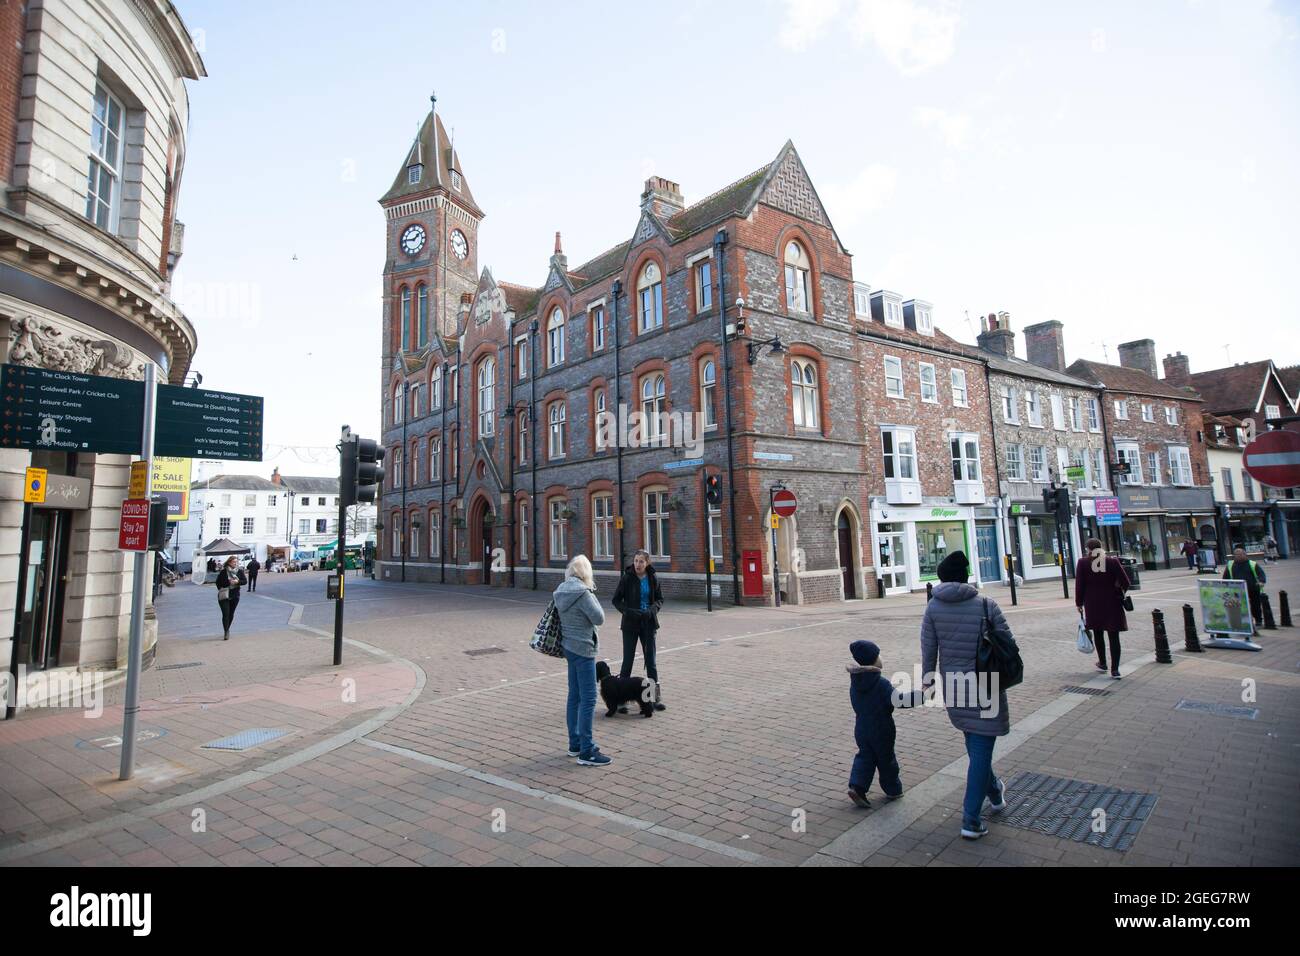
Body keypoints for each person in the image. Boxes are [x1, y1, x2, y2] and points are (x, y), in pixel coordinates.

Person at [921, 551, 1012, 840]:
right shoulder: (986, 604)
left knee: (976, 746)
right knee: (981, 750)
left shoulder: (933, 607)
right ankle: (971, 820)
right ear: (965, 575)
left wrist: (928, 682)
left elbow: (928, 650)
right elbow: (1008, 643)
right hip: (986, 684)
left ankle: (995, 791)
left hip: (955, 686)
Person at [846, 640, 921, 808]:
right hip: (881, 728)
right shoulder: (881, 683)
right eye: (878, 655)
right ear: (873, 659)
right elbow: (900, 701)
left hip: (861, 727)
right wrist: (921, 695)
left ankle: (857, 787)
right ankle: (893, 790)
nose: (881, 658)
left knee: (865, 756)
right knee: (886, 760)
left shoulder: (856, 682)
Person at [554, 555, 611, 767]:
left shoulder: (561, 591)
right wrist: (591, 594)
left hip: (569, 647)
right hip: (585, 648)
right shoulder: (583, 593)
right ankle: (587, 750)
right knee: (589, 698)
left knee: (574, 696)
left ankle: (574, 743)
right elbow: (599, 618)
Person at [612, 549, 666, 711]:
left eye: (641, 561)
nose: (638, 564)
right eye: (636, 561)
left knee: (651, 661)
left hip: (648, 623)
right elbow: (616, 600)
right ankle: (621, 701)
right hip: (630, 624)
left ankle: (653, 699)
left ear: (647, 563)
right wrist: (629, 611)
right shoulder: (627, 578)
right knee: (627, 661)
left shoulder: (652, 578)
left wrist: (652, 610)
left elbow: (659, 599)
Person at [1075, 537, 1131, 678]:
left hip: (1093, 604)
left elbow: (1079, 585)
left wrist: (1079, 603)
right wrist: (1118, 591)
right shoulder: (1112, 561)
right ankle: (1115, 669)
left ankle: (1103, 662)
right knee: (1114, 636)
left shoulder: (1083, 563)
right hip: (1112, 602)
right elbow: (1126, 581)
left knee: (1098, 633)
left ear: (1088, 549)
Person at [1223, 547, 1267, 629]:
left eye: (1240, 554)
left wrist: (1261, 581)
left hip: (1253, 588)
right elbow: (1226, 576)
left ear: (1244, 554)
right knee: (1239, 606)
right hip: (1237, 589)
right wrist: (1225, 586)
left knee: (1255, 605)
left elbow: (1261, 574)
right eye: (1236, 555)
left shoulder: (1252, 564)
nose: (1238, 556)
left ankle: (1258, 621)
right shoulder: (1230, 564)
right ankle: (1243, 621)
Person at [215, 556, 247, 640]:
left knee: (231, 614)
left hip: (234, 595)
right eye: (233, 562)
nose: (235, 563)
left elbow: (245, 581)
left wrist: (238, 582)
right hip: (224, 596)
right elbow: (218, 582)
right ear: (229, 562)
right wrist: (226, 584)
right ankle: (226, 632)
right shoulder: (223, 572)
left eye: (236, 562)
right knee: (226, 614)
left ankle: (227, 628)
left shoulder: (239, 571)